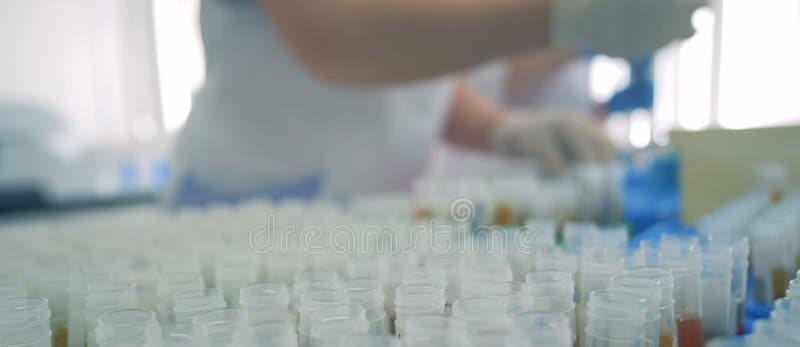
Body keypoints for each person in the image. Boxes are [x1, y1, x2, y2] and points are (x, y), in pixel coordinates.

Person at [167, 0, 703, 208]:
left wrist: (500, 128)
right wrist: (569, 18)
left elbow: (410, 72)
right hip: (251, 208)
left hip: (368, 209)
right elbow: (337, 39)